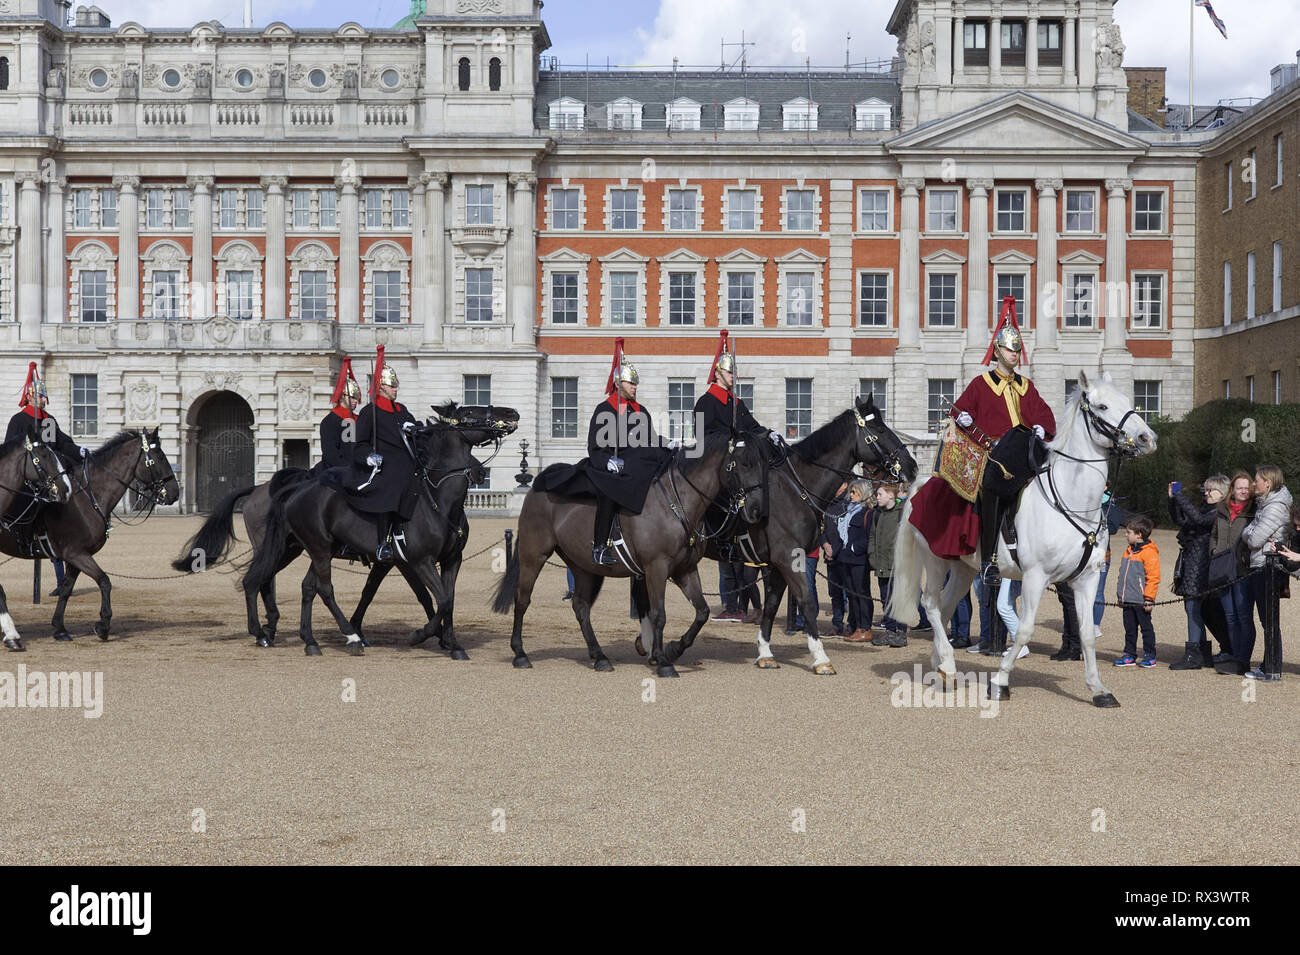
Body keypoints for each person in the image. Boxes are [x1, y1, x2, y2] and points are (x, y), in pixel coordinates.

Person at [908, 315, 1056, 591]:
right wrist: (962, 419)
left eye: (1017, 350)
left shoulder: (1027, 386)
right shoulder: (981, 384)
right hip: (995, 457)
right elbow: (962, 412)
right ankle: (989, 559)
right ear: (998, 351)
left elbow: (1045, 415)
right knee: (992, 488)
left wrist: (1040, 427)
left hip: (1025, 455)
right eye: (1010, 350)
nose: (1015, 354)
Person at [6, 364, 86, 591]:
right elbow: (12, 449)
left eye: (45, 396)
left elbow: (61, 443)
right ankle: (25, 538)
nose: (44, 400)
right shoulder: (19, 420)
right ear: (31, 396)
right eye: (41, 396)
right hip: (29, 478)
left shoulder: (48, 420)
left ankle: (62, 578)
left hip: (50, 476)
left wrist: (79, 451)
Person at [585, 358, 672, 566]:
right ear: (617, 383)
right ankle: (600, 545)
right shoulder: (604, 409)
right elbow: (595, 445)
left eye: (635, 383)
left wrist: (669, 443)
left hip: (639, 463)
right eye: (630, 383)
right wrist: (607, 460)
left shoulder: (640, 410)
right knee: (609, 488)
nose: (634, 387)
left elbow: (650, 440)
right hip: (615, 464)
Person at [351, 362, 419, 562]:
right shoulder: (369, 412)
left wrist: (414, 429)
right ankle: (384, 541)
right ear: (380, 386)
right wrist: (369, 457)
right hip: (385, 464)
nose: (396, 389)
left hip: (408, 461)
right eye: (392, 386)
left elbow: (416, 434)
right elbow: (360, 445)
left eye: (396, 385)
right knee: (391, 484)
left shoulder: (402, 410)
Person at [1167, 475, 1227, 671]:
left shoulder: (1219, 512)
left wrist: (1181, 496)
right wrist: (1173, 499)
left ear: (1223, 494)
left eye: (1211, 490)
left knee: (1193, 608)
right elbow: (1182, 520)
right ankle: (1201, 653)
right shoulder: (1207, 508)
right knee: (1192, 608)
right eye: (1206, 489)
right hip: (1193, 563)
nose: (1207, 493)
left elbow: (1199, 520)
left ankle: (1194, 654)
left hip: (1202, 565)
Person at [1240, 465, 1292, 683]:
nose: (1253, 484)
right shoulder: (1266, 504)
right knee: (1267, 620)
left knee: (1269, 620)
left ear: (1268, 483)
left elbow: (1253, 539)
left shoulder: (1274, 508)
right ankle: (1268, 664)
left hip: (1267, 567)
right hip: (1261, 565)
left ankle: (1272, 667)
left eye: (1256, 480)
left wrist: (1249, 530)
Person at [1211, 471, 1256, 675]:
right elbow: (1214, 535)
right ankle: (1234, 655)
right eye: (1239, 487)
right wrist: (1214, 551)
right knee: (1229, 616)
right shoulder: (1222, 509)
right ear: (1233, 490)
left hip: (1242, 569)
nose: (1243, 491)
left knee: (1243, 616)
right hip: (1222, 568)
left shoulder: (1255, 510)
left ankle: (1242, 659)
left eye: (1247, 487)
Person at [1114, 516, 1160, 668]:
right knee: (1129, 629)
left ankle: (1150, 655)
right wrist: (1121, 595)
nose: (1126, 535)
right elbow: (1122, 575)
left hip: (1141, 600)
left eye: (1128, 532)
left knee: (1146, 629)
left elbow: (1153, 577)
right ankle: (1129, 654)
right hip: (1128, 599)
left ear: (1139, 534)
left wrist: (1149, 598)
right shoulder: (1128, 552)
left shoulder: (1149, 553)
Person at [868, 482, 907, 647]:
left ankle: (901, 633)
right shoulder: (878, 514)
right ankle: (890, 631)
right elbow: (872, 536)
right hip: (882, 565)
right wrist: (872, 557)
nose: (877, 498)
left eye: (880, 494)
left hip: (898, 566)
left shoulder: (902, 512)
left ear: (891, 495)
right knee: (886, 599)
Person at [836, 479, 873, 642]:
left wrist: (853, 547)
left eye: (855, 492)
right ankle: (855, 625)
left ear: (863, 493)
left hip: (859, 559)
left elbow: (869, 537)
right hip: (846, 558)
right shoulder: (848, 511)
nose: (851, 495)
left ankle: (865, 627)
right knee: (851, 594)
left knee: (862, 593)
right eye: (851, 492)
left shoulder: (868, 512)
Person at [317, 360, 362, 472]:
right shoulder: (330, 421)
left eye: (356, 398)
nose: (355, 401)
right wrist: (347, 470)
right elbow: (330, 454)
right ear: (342, 396)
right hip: (337, 470)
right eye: (351, 397)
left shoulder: (360, 420)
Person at [821, 483, 853, 636]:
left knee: (850, 593)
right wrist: (825, 544)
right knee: (835, 593)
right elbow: (822, 528)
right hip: (830, 555)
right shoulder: (827, 504)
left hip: (844, 556)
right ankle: (837, 623)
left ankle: (853, 624)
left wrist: (835, 550)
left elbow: (846, 531)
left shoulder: (848, 505)